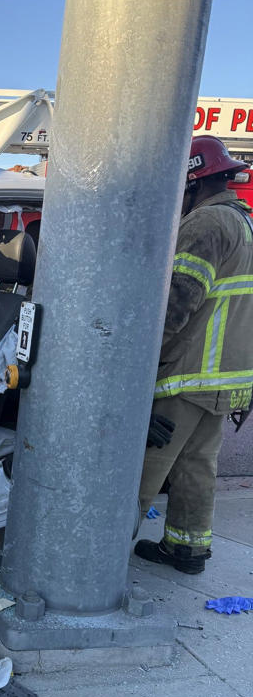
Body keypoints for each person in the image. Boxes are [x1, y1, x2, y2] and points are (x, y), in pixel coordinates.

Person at [136, 135, 253, 574]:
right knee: (197, 465)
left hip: (186, 376)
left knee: (144, 470)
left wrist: (140, 366)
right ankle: (187, 549)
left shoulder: (205, 226)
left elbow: (176, 304)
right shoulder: (245, 222)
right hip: (226, 379)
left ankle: (95, 565)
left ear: (191, 183)